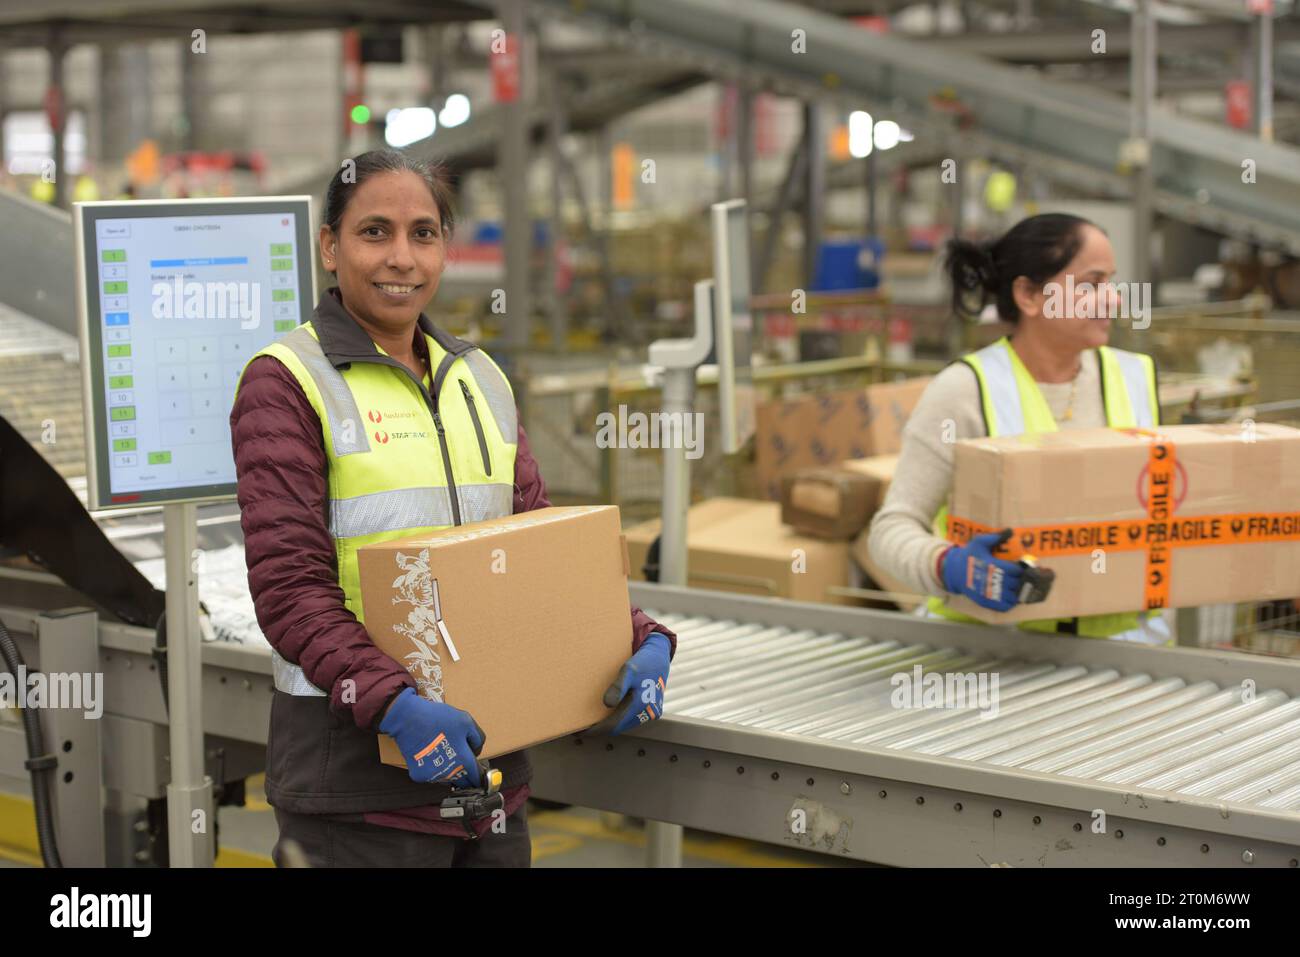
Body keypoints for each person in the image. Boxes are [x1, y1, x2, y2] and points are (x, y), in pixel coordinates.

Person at [230, 150, 677, 868]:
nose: (401, 257)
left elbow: (538, 550)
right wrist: (394, 705)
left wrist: (641, 637)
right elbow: (288, 587)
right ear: (329, 246)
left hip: (488, 780)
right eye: (375, 232)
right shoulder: (286, 382)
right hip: (354, 791)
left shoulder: (480, 379)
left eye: (423, 233)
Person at [866, 212, 1168, 644]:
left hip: (1123, 662)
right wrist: (949, 566)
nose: (1114, 300)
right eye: (1091, 284)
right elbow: (891, 529)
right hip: (993, 660)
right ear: (1028, 294)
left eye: (1112, 283)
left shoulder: (1135, 378)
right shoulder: (965, 390)